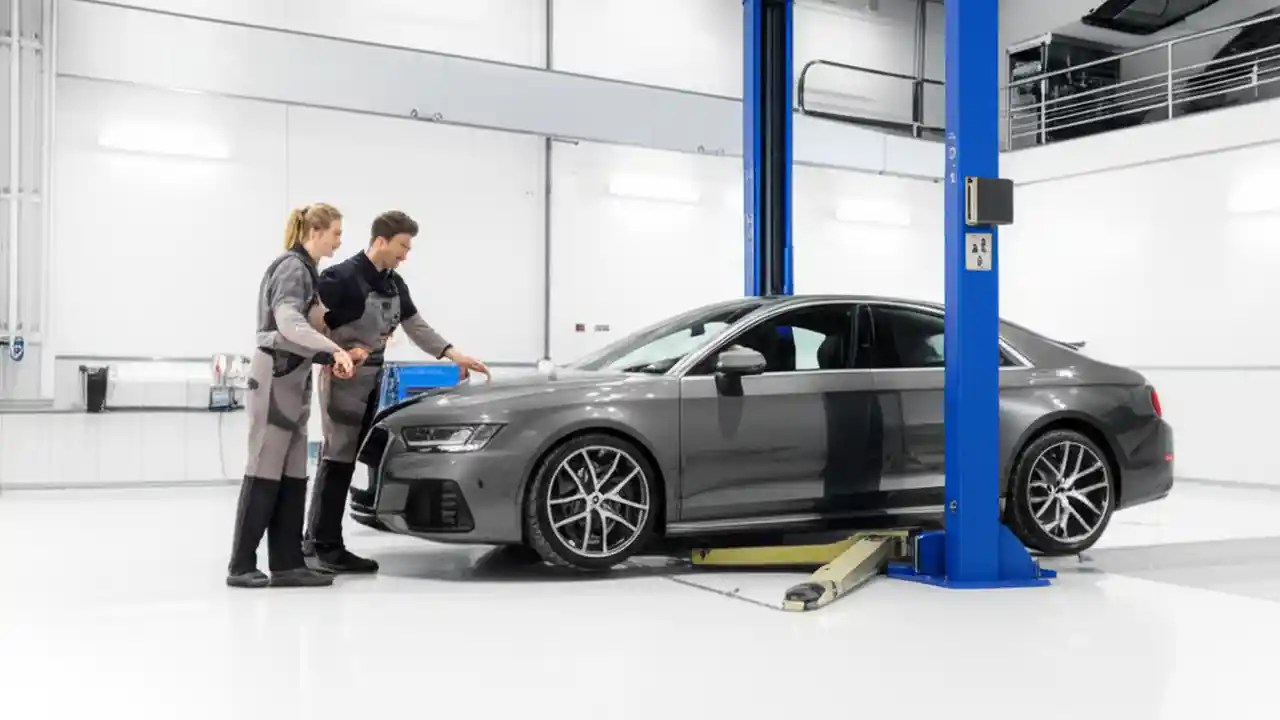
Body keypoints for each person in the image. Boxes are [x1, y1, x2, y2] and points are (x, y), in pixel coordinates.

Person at [302, 210, 490, 574]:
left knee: (346, 457)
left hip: (374, 377)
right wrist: (335, 353)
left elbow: (416, 326)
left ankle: (321, 541)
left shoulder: (393, 283)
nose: (406, 254)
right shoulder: (340, 278)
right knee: (337, 458)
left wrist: (455, 355)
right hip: (344, 377)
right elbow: (311, 322)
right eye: (402, 246)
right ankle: (323, 545)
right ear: (380, 241)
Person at [226, 203, 356, 589]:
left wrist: (334, 351)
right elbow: (288, 323)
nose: (339, 240)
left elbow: (301, 333)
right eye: (335, 232)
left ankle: (287, 563)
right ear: (314, 231)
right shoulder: (291, 268)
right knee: (264, 467)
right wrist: (333, 350)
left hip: (293, 376)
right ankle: (241, 564)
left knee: (294, 470)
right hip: (274, 376)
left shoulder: (308, 273)